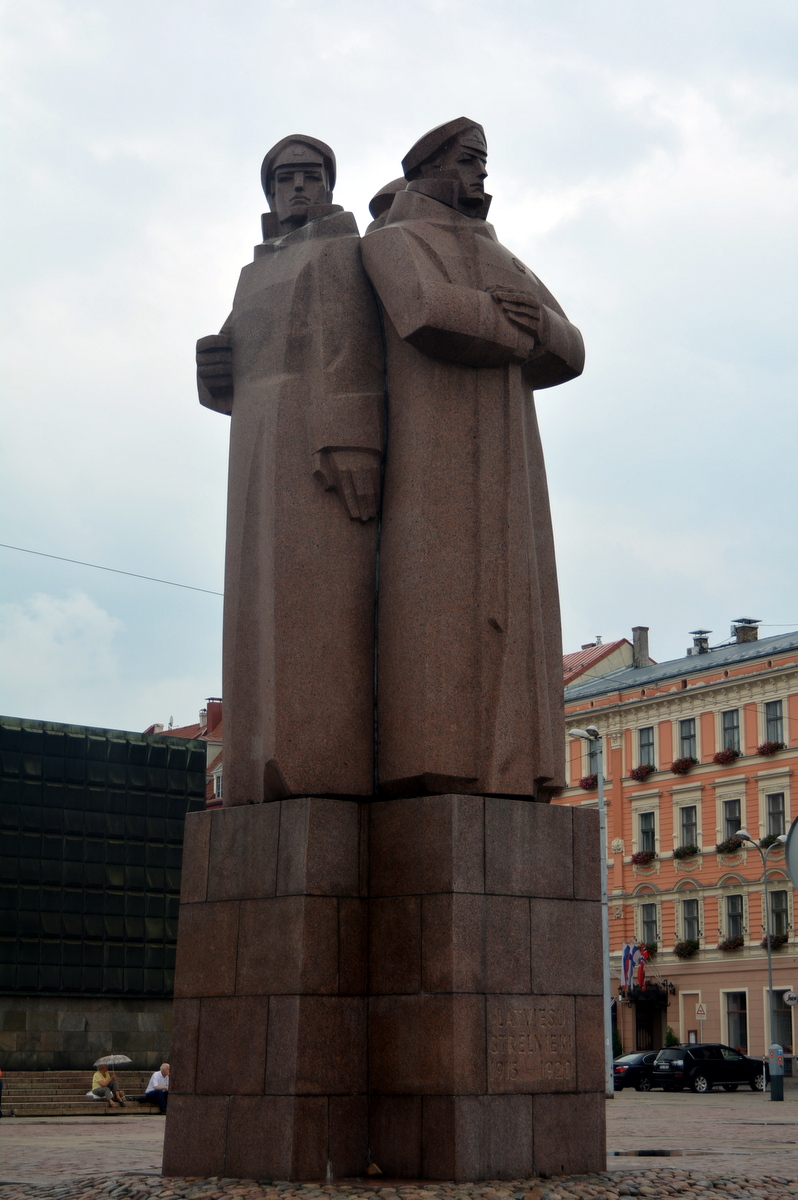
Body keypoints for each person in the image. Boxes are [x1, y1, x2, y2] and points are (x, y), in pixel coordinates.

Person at [361, 117, 585, 799]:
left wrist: (540, 326)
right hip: (432, 446)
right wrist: (513, 327)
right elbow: (424, 309)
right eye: (468, 160)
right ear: (427, 166)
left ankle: (513, 763)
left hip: (510, 455)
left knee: (512, 601)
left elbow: (571, 347)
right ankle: (440, 757)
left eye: (483, 161)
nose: (481, 173)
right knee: (439, 602)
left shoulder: (501, 252)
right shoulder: (395, 241)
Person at [196, 135, 384, 805]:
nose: (297, 187)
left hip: (315, 446)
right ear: (270, 191)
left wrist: (354, 438)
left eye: (309, 176)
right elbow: (239, 363)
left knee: (316, 598)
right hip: (254, 444)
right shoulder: (255, 271)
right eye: (284, 178)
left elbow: (355, 350)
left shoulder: (343, 250)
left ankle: (314, 758)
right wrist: (213, 373)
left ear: (330, 185)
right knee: (257, 602)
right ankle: (260, 763)